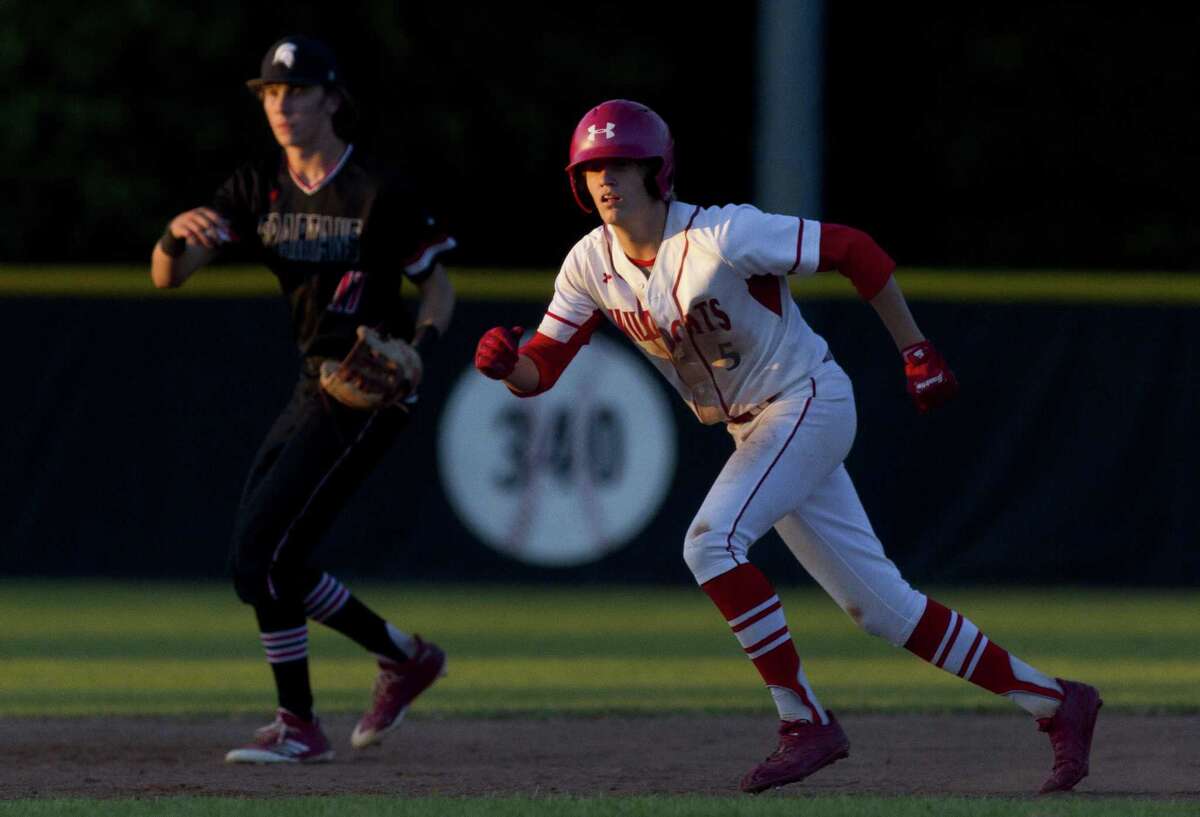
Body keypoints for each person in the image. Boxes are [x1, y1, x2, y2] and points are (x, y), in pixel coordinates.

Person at [473, 99, 1101, 794]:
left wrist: (915, 347)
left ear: (657, 171)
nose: (604, 179)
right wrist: (509, 368)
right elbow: (541, 368)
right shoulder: (589, 263)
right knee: (882, 608)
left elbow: (856, 250)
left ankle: (804, 720)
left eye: (619, 163)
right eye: (592, 167)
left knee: (709, 542)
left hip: (807, 399)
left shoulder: (723, 233)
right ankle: (1057, 701)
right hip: (755, 424)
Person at [150, 36, 456, 763]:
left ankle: (300, 723)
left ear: (332, 99)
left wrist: (422, 349)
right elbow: (171, 274)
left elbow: (437, 285)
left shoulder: (378, 190)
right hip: (312, 381)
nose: (281, 105)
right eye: (270, 93)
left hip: (369, 385)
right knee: (266, 565)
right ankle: (401, 657)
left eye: (296, 92)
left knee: (262, 554)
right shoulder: (258, 187)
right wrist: (172, 234)